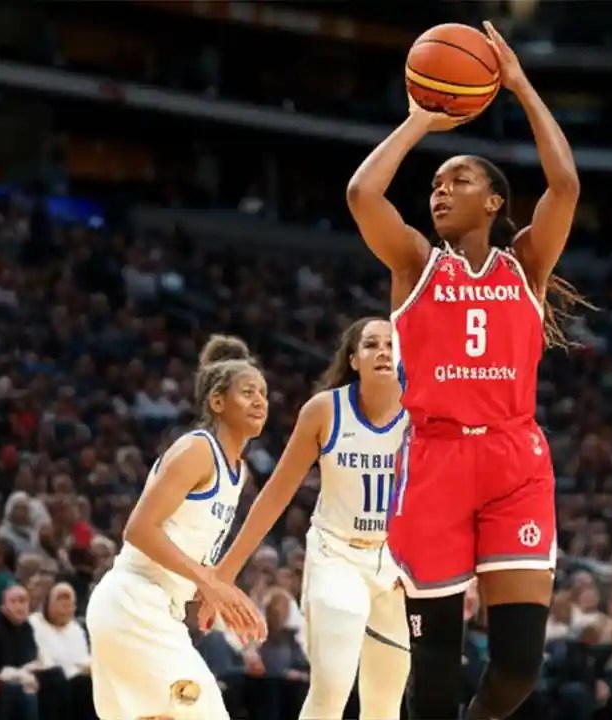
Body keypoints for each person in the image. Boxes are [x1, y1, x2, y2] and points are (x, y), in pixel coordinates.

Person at [346, 20, 587, 719]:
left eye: (459, 180)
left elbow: (565, 182)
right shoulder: (417, 263)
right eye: (436, 184)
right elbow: (364, 195)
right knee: (438, 679)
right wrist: (419, 122)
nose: (439, 191)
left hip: (515, 462)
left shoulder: (527, 265)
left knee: (516, 669)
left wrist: (518, 83)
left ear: (494, 202)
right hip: (437, 463)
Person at [204, 317, 411, 718]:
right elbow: (275, 495)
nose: (383, 350)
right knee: (332, 688)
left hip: (397, 563)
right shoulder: (325, 411)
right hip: (338, 556)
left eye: (391, 343)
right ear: (354, 359)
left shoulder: (424, 411)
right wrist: (224, 573)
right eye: (371, 344)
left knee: (385, 706)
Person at [86, 334, 268, 720]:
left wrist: (209, 589)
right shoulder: (197, 450)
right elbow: (138, 529)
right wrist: (209, 581)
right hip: (133, 601)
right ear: (217, 402)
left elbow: (192, 541)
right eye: (247, 392)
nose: (259, 401)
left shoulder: (238, 473)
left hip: (153, 609)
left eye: (264, 394)